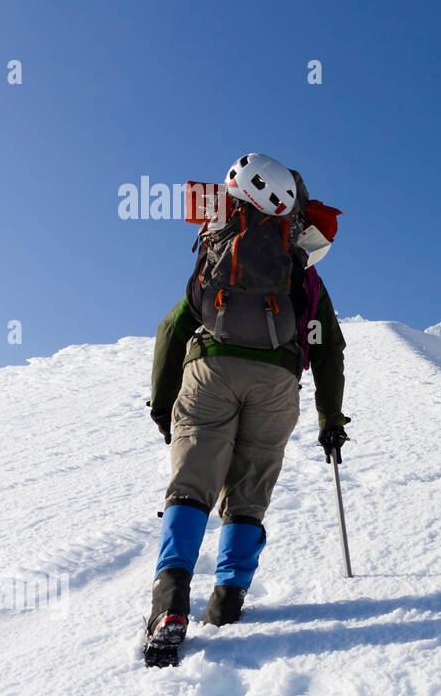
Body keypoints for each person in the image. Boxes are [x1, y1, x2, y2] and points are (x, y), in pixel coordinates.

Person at [143, 153, 349, 666]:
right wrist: (330, 420)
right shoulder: (301, 273)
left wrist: (165, 401)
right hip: (277, 384)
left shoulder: (217, 254)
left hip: (210, 370)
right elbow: (329, 348)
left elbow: (171, 328)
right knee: (249, 491)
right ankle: (227, 602)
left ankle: (170, 605)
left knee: (192, 487)